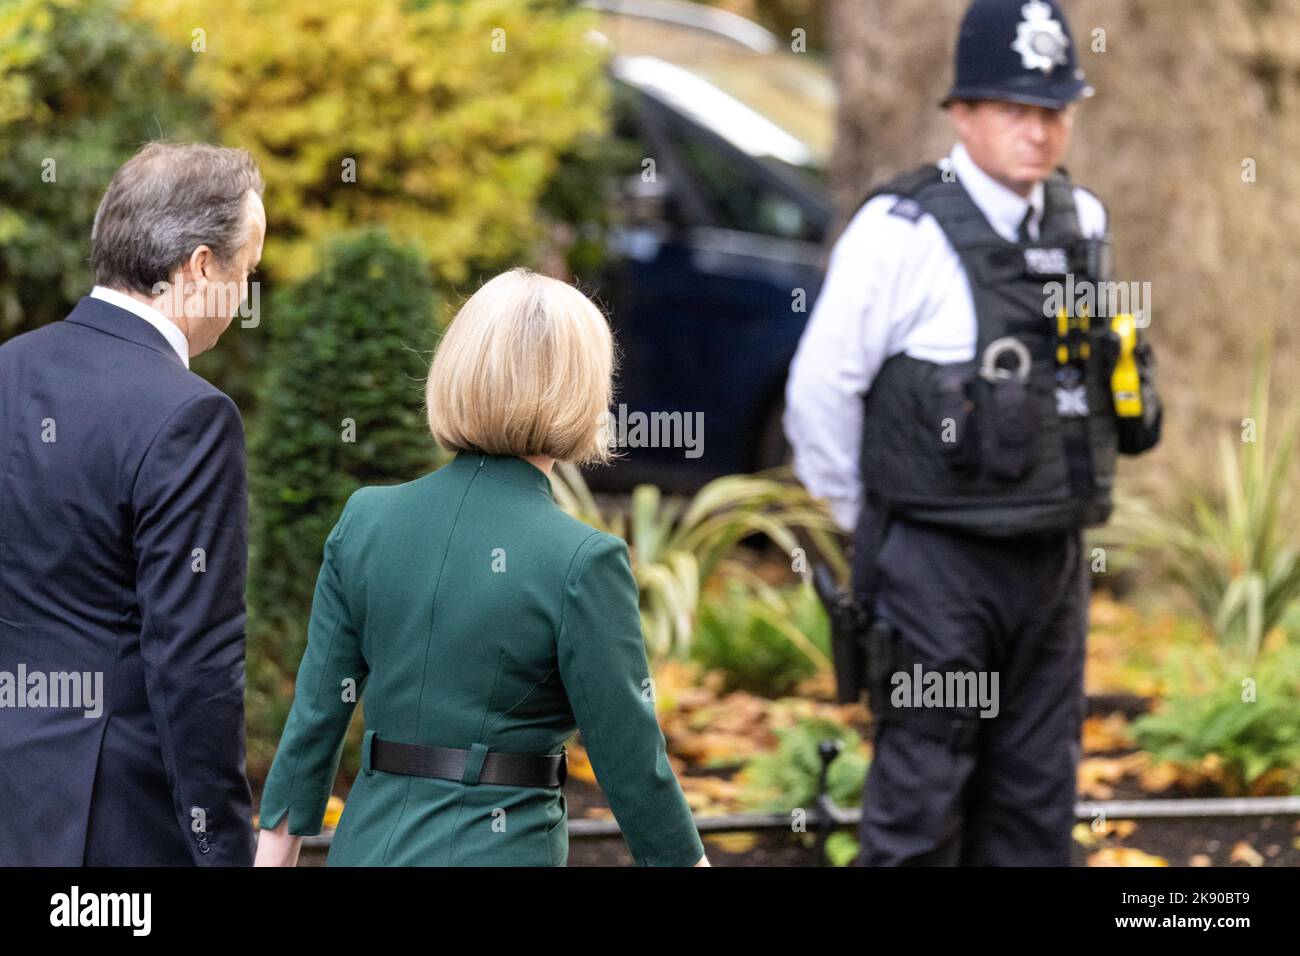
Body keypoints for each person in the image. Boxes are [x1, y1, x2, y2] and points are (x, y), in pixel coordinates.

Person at [785, 0, 1161, 866]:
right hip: (935, 567)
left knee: (1038, 801)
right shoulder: (901, 230)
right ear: (963, 111)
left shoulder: (1084, 223)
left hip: (1051, 561)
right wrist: (869, 523)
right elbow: (818, 395)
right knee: (922, 801)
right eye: (1017, 109)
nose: (1040, 130)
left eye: (1056, 109)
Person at [255, 268, 709, 867]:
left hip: (367, 848)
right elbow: (634, 770)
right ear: (582, 390)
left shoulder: (367, 521)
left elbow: (313, 725)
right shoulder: (583, 561)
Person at [0, 142, 266, 865]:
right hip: (110, 824)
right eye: (246, 272)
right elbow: (196, 667)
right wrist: (223, 852)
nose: (245, 296)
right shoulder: (190, 417)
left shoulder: (7, 369)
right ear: (201, 267)